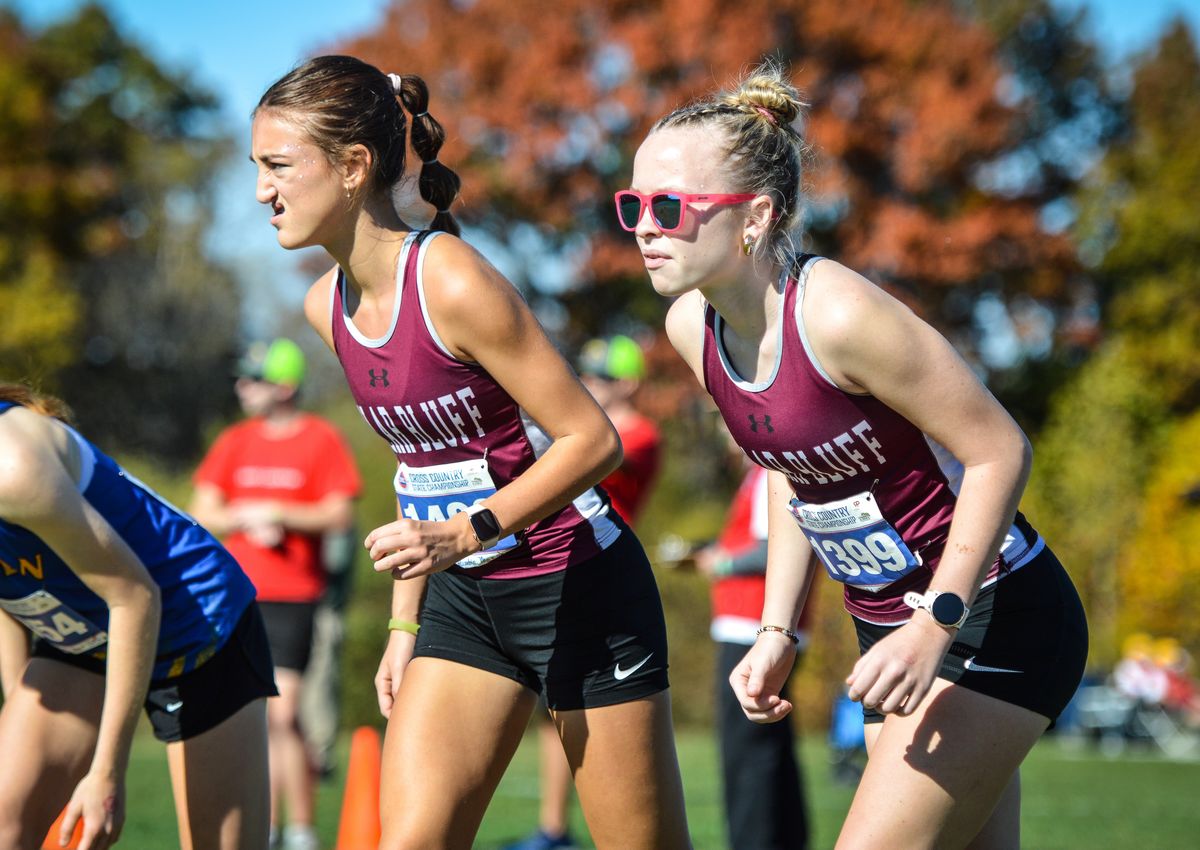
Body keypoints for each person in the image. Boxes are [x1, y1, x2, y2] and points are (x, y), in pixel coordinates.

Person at [616, 61, 1089, 848]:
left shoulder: (836, 313)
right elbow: (789, 472)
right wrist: (776, 632)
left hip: (989, 618)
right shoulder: (690, 330)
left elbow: (1001, 449)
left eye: (668, 207)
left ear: (755, 217)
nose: (643, 227)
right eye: (632, 205)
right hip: (885, 635)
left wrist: (936, 624)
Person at [250, 55, 691, 850]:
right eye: (258, 168)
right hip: (463, 605)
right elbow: (416, 466)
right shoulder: (326, 307)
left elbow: (593, 440)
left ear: (353, 167)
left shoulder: (450, 279)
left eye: (279, 167)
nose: (261, 192)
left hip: (579, 591)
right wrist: (401, 626)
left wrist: (467, 533)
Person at [0, 383, 274, 850]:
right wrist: (16, 707)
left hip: (196, 624)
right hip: (83, 634)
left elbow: (135, 596)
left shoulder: (13, 469)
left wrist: (106, 770)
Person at [189, 338, 362, 850]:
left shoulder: (321, 439)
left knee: (283, 714)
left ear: (284, 387)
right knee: (253, 716)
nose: (243, 387)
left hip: (294, 598)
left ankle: (302, 831)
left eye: (255, 378)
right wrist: (246, 515)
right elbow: (203, 510)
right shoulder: (235, 441)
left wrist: (280, 513)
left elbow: (340, 515)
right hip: (236, 597)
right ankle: (263, 829)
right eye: (243, 378)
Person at [506, 334, 664, 850]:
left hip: (599, 573)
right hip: (556, 569)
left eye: (601, 377)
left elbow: (599, 450)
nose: (591, 385)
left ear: (629, 383)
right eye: (586, 376)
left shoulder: (639, 434)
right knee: (553, 718)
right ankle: (554, 828)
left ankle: (562, 829)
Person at [694, 463, 812, 850]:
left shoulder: (769, 471)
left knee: (749, 754)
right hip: (759, 628)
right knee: (771, 750)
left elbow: (772, 548)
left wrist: (721, 562)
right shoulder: (760, 472)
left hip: (754, 629)